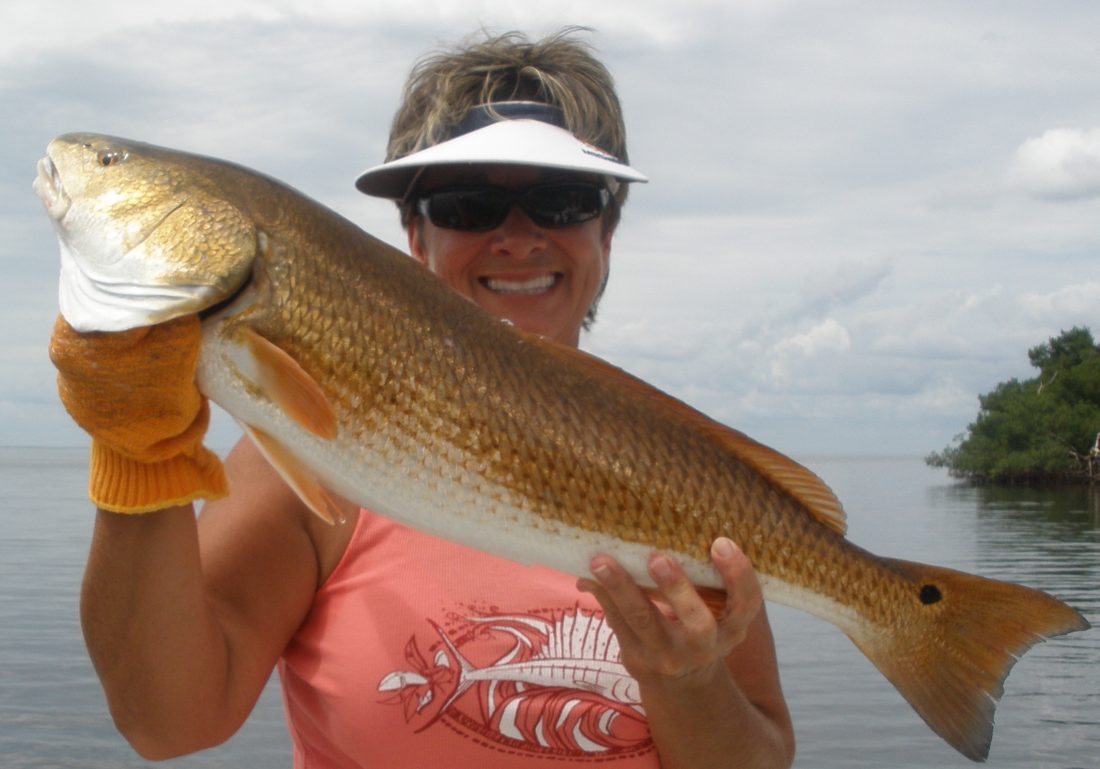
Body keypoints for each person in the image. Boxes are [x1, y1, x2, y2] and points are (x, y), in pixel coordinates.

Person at [50, 29, 795, 769]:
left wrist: (691, 679)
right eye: (467, 205)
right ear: (414, 235)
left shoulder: (688, 479)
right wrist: (135, 450)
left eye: (563, 201)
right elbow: (166, 722)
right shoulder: (309, 459)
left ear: (607, 231)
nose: (516, 238)